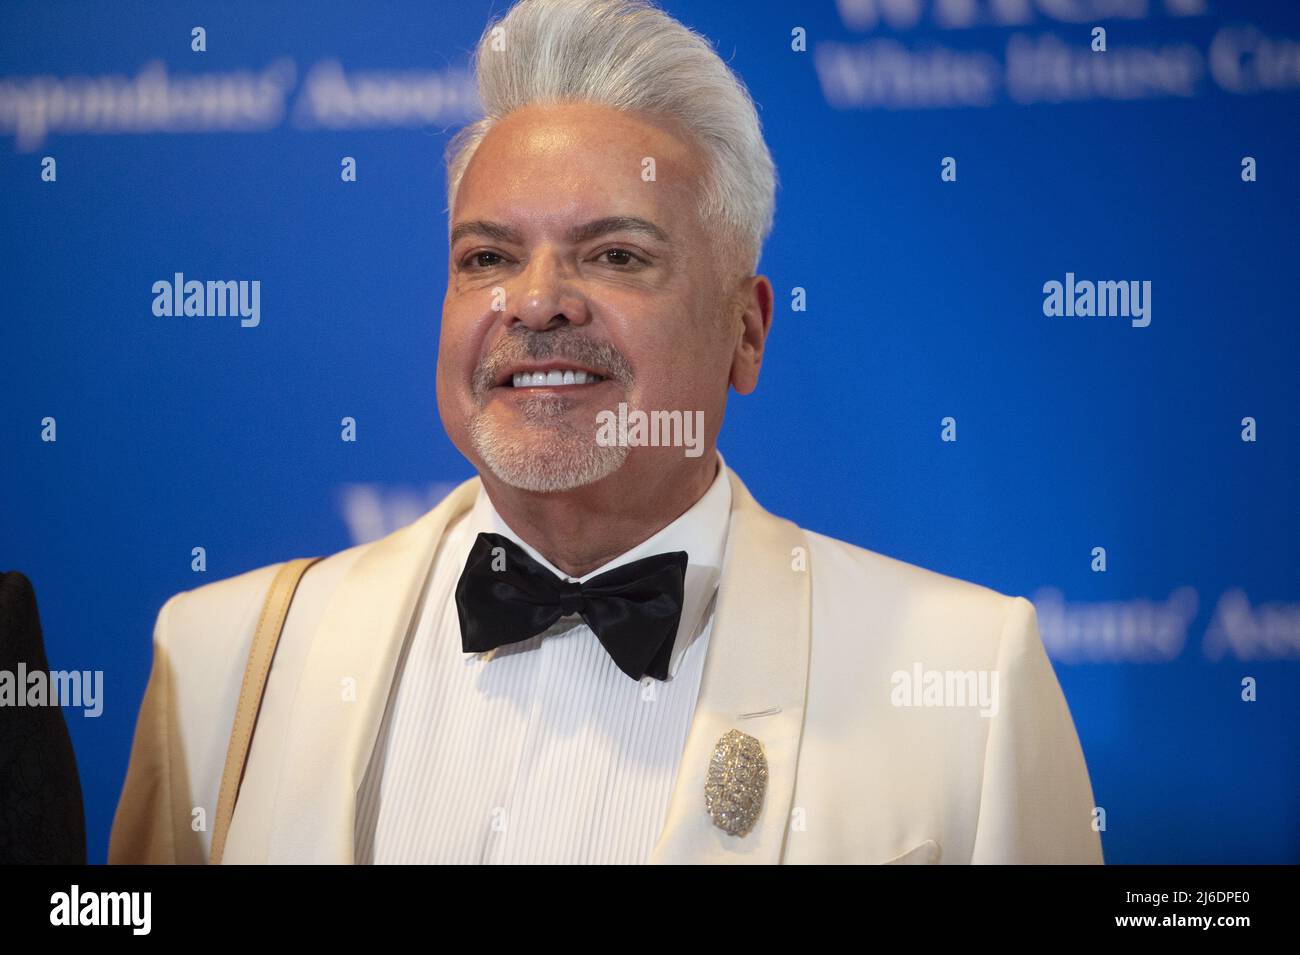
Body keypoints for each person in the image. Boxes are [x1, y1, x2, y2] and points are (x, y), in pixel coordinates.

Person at [109, 0, 1103, 864]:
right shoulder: (225, 654)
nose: (535, 303)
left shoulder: (969, 680)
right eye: (488, 254)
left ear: (745, 330)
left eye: (616, 255)